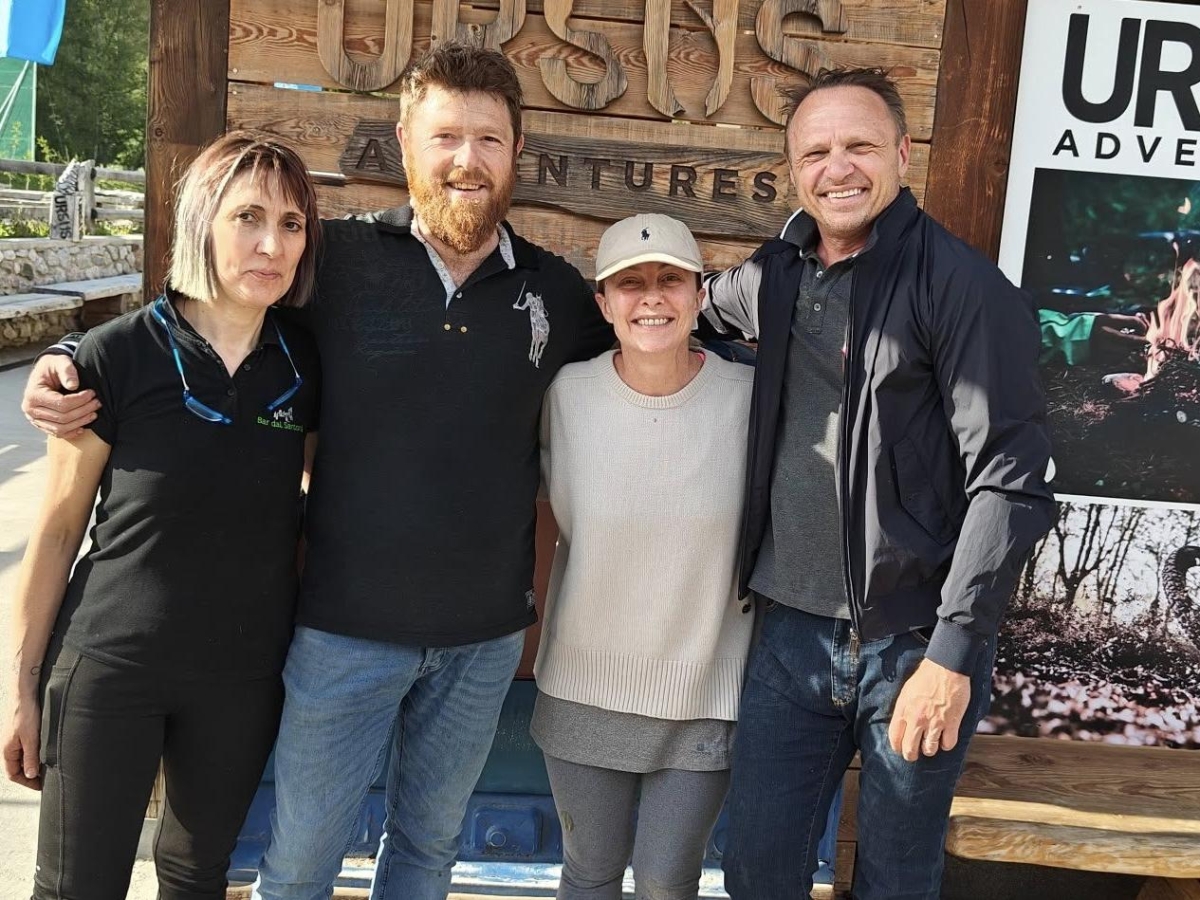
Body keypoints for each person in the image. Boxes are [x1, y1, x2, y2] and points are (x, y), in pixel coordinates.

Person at [20, 43, 613, 900]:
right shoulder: (334, 261)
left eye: (489, 140)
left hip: (482, 637)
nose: (466, 160)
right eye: (446, 136)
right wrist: (74, 356)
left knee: (428, 850)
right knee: (299, 862)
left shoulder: (556, 295)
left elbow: (654, 335)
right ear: (407, 141)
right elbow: (209, 305)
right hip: (342, 630)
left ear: (517, 152)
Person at [700, 68, 1057, 899]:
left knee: (895, 879)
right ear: (794, 170)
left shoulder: (964, 288)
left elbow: (1012, 479)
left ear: (902, 153)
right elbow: (683, 313)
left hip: (913, 641)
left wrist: (954, 653)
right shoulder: (778, 271)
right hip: (786, 635)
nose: (839, 167)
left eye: (859, 145)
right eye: (816, 151)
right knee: (756, 871)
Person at [3, 133, 322, 900]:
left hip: (243, 678)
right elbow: (52, 536)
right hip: (111, 667)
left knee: (195, 876)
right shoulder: (114, 357)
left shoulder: (306, 367)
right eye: (247, 217)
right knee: (78, 885)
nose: (270, 244)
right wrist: (19, 691)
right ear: (201, 222)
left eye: (291, 224)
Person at [532, 214, 753, 900]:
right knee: (590, 874)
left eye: (670, 281)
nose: (651, 297)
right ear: (603, 304)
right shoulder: (565, 396)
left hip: (703, 692)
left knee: (666, 881)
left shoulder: (752, 401)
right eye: (630, 283)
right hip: (581, 685)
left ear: (697, 295)